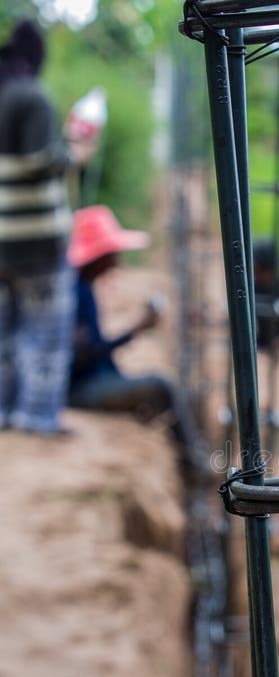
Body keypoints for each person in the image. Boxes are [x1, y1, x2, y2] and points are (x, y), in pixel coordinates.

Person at [67, 204, 207, 471]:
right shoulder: (76, 294)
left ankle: (191, 461)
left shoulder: (82, 289)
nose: (117, 256)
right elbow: (83, 356)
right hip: (77, 391)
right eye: (112, 250)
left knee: (156, 389)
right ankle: (196, 462)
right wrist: (135, 330)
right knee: (162, 385)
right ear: (99, 256)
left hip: (87, 382)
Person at [0, 19, 74, 434]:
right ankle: (37, 417)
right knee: (44, 333)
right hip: (36, 240)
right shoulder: (32, 96)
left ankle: (3, 410)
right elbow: (38, 160)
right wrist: (73, 153)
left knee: (3, 334)